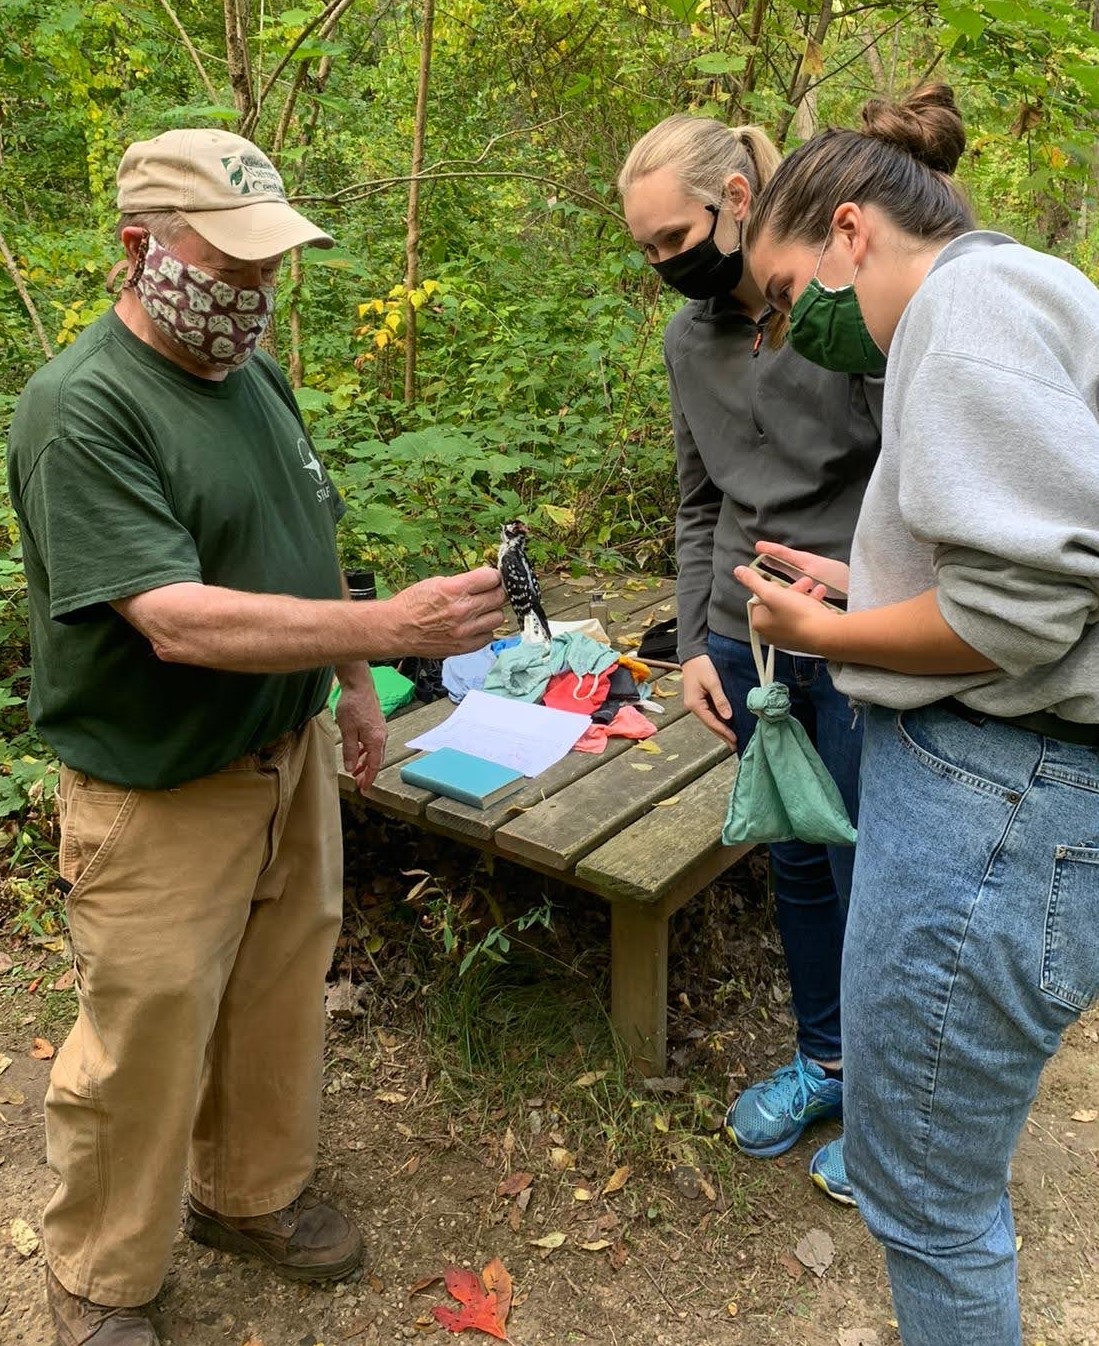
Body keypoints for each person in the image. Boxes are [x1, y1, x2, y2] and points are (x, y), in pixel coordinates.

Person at [7, 128, 505, 1346]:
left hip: (283, 755)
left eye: (269, 265)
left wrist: (352, 677)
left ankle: (246, 1196)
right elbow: (169, 617)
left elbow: (306, 531)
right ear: (141, 250)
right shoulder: (83, 407)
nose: (254, 294)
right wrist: (386, 623)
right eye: (230, 266)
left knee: (280, 994)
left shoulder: (253, 374)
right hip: (159, 784)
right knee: (147, 1031)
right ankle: (98, 1275)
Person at [739, 83, 1099, 1346]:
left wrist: (821, 634)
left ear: (850, 231)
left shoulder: (958, 312)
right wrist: (870, 582)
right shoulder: (1023, 286)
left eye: (785, 297)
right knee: (936, 1166)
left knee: (924, 1194)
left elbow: (1025, 608)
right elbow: (1016, 558)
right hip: (1020, 780)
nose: (789, 336)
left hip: (1000, 799)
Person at [617, 116, 882, 1200]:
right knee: (791, 859)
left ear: (735, 195)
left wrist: (871, 600)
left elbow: (910, 470)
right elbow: (695, 503)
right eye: (640, 247)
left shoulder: (842, 311)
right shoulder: (688, 344)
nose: (660, 262)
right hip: (745, 640)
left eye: (670, 235)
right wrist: (691, 643)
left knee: (877, 868)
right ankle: (822, 1060)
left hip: (862, 633)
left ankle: (890, 1107)